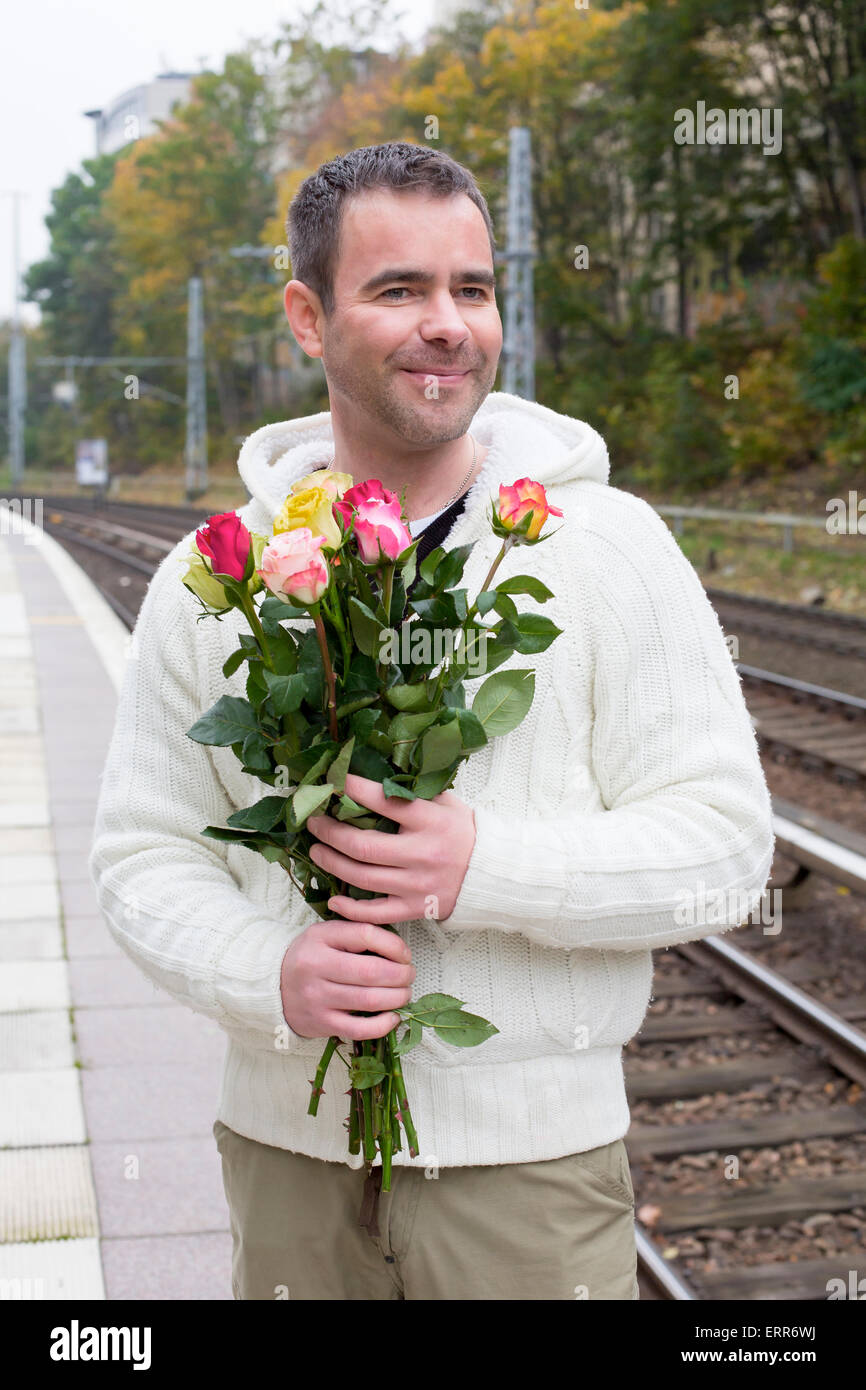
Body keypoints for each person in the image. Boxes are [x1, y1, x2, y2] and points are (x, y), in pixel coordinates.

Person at [88, 141, 775, 1301]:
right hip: (288, 1170)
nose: (446, 323)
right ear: (307, 317)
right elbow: (140, 853)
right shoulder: (223, 574)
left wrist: (481, 865)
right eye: (398, 289)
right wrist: (267, 973)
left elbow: (721, 846)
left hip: (532, 1180)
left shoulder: (609, 550)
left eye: (471, 288)